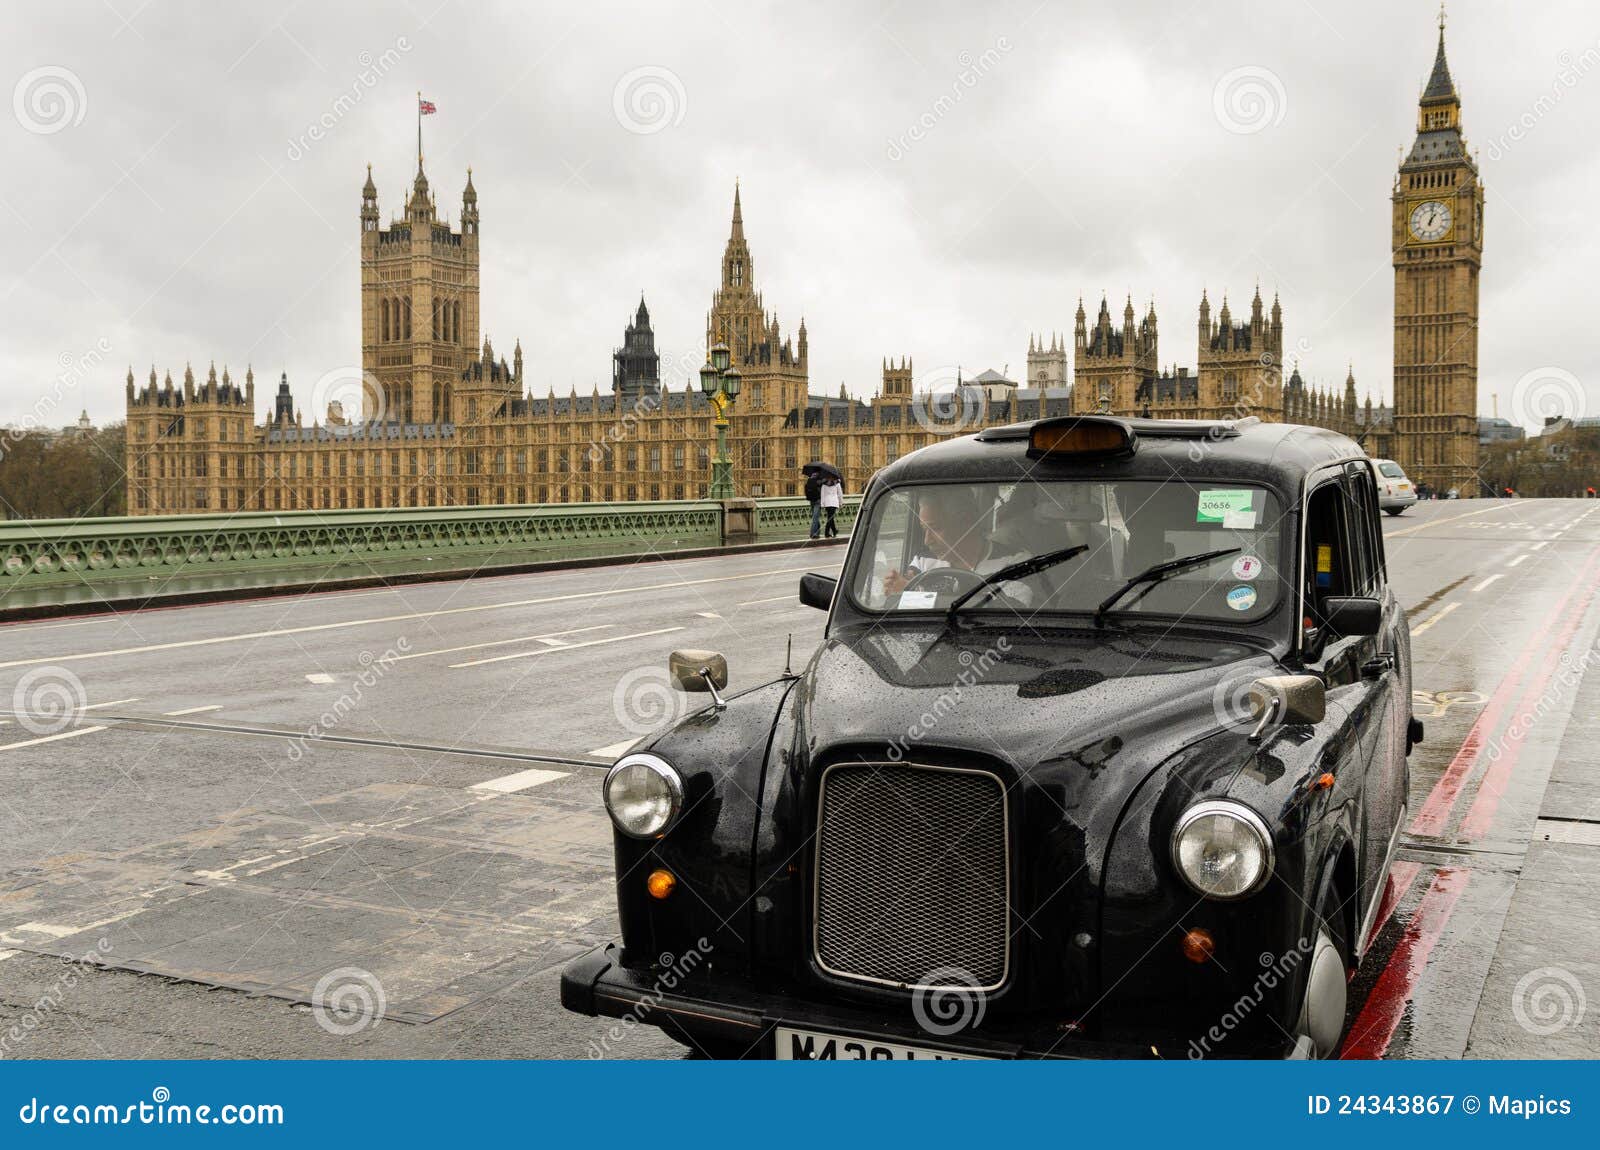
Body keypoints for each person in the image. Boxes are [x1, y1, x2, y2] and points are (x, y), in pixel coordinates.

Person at [804, 469, 823, 538]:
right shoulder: (820, 480)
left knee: (815, 517)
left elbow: (806, 488)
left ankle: (817, 532)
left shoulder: (809, 480)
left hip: (811, 500)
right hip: (818, 500)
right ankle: (813, 533)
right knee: (815, 517)